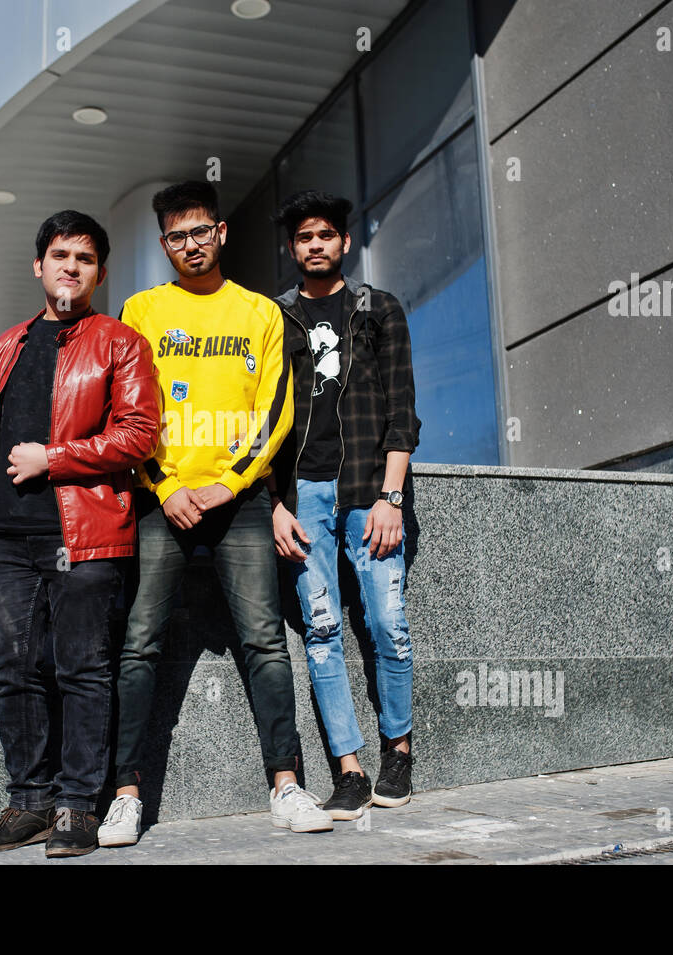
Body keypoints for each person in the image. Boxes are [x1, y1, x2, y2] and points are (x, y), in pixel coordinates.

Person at [97, 180, 333, 848]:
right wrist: (164, 484)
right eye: (177, 236)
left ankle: (286, 785)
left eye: (201, 231)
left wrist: (230, 484)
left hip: (243, 504)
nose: (191, 244)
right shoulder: (141, 311)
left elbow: (277, 408)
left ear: (221, 233)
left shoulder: (260, 312)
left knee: (263, 640)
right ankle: (125, 796)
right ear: (164, 243)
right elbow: (127, 411)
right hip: (158, 501)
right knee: (138, 642)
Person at [0, 211, 161, 858]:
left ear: (99, 272)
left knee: (81, 669)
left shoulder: (119, 341)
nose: (71, 266)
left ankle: (76, 805)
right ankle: (28, 802)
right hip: (6, 541)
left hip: (86, 532)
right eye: (60, 254)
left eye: (85, 258)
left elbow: (139, 434)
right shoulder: (6, 344)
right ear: (38, 265)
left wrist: (54, 457)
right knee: (14, 669)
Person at [267, 189, 421, 819]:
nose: (315, 245)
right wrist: (275, 503)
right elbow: (265, 418)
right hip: (304, 493)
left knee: (387, 623)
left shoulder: (378, 309)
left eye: (326, 234)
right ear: (292, 247)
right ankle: (349, 768)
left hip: (368, 491)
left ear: (345, 242)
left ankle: (400, 752)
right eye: (304, 237)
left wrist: (391, 496)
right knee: (323, 631)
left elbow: (402, 411)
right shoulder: (274, 319)